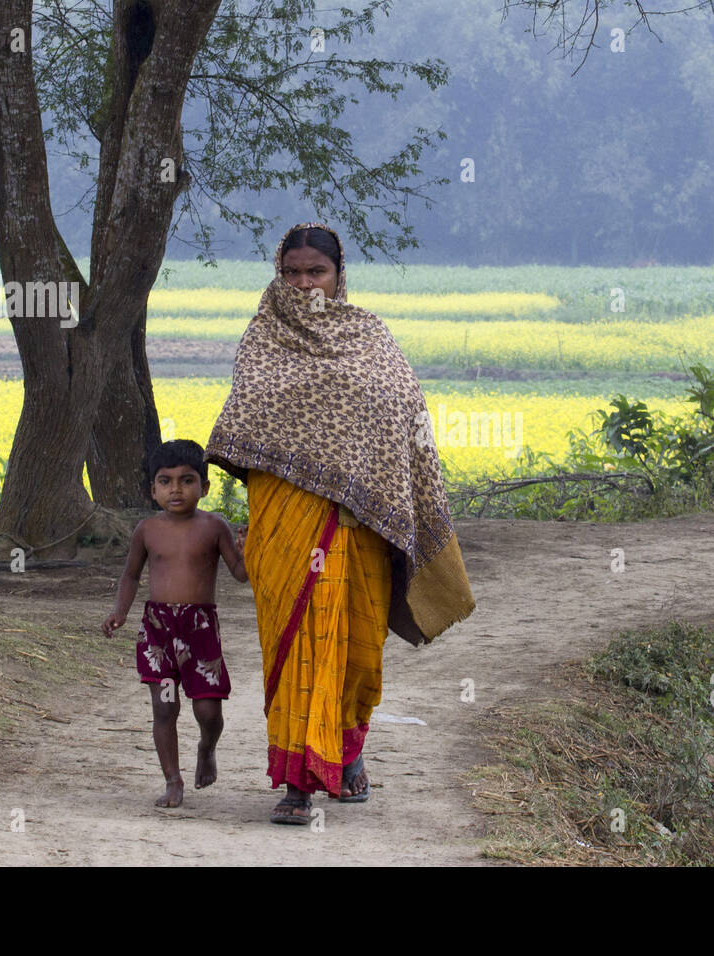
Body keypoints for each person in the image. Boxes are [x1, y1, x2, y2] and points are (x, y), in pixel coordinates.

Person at [205, 221, 477, 825]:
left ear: (339, 275)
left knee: (354, 648)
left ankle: (347, 756)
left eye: (316, 272)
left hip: (357, 529)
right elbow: (250, 422)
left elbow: (404, 414)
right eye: (292, 273)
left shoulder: (370, 336)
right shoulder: (262, 339)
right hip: (288, 523)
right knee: (294, 641)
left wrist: (364, 481)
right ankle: (298, 785)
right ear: (279, 274)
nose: (305, 285)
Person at [102, 439, 248, 808]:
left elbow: (240, 574)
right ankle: (172, 780)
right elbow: (131, 575)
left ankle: (206, 747)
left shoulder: (214, 527)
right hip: (159, 632)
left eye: (186, 480)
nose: (176, 489)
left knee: (208, 711)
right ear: (153, 490)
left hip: (199, 632)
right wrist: (119, 610)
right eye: (165, 482)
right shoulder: (147, 530)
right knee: (165, 707)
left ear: (205, 487)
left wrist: (250, 549)